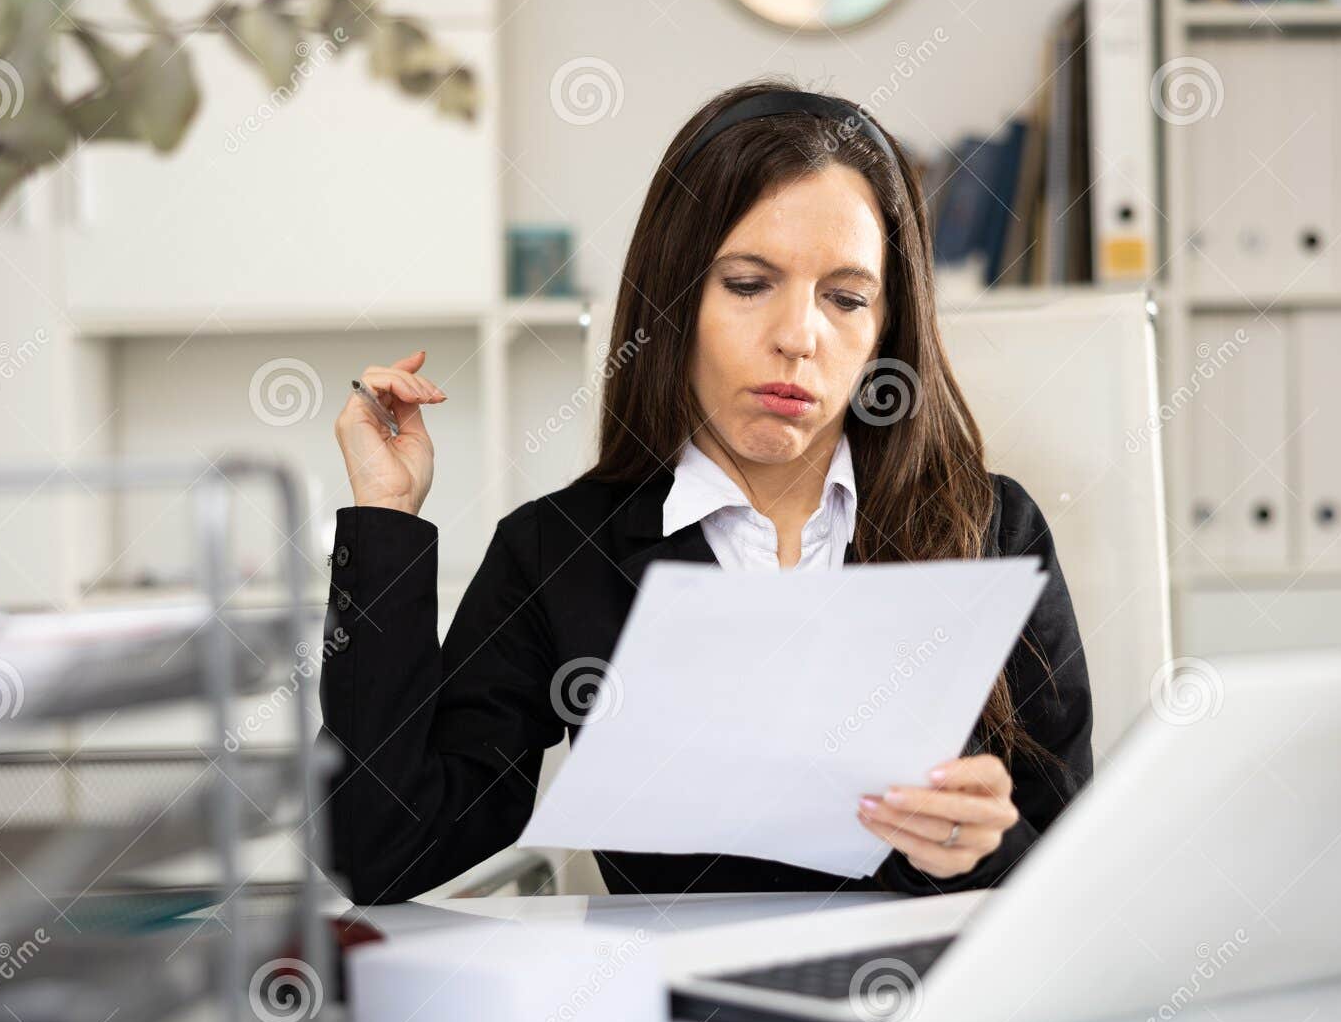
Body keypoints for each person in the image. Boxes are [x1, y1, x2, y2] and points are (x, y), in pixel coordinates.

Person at [319, 79, 1093, 907]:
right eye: (749, 284)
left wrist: (983, 848)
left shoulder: (991, 527)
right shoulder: (556, 553)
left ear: (886, 329)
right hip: (677, 1020)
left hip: (932, 1016)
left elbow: (1079, 869)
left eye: (846, 298)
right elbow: (382, 850)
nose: (799, 337)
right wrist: (385, 518)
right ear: (674, 301)